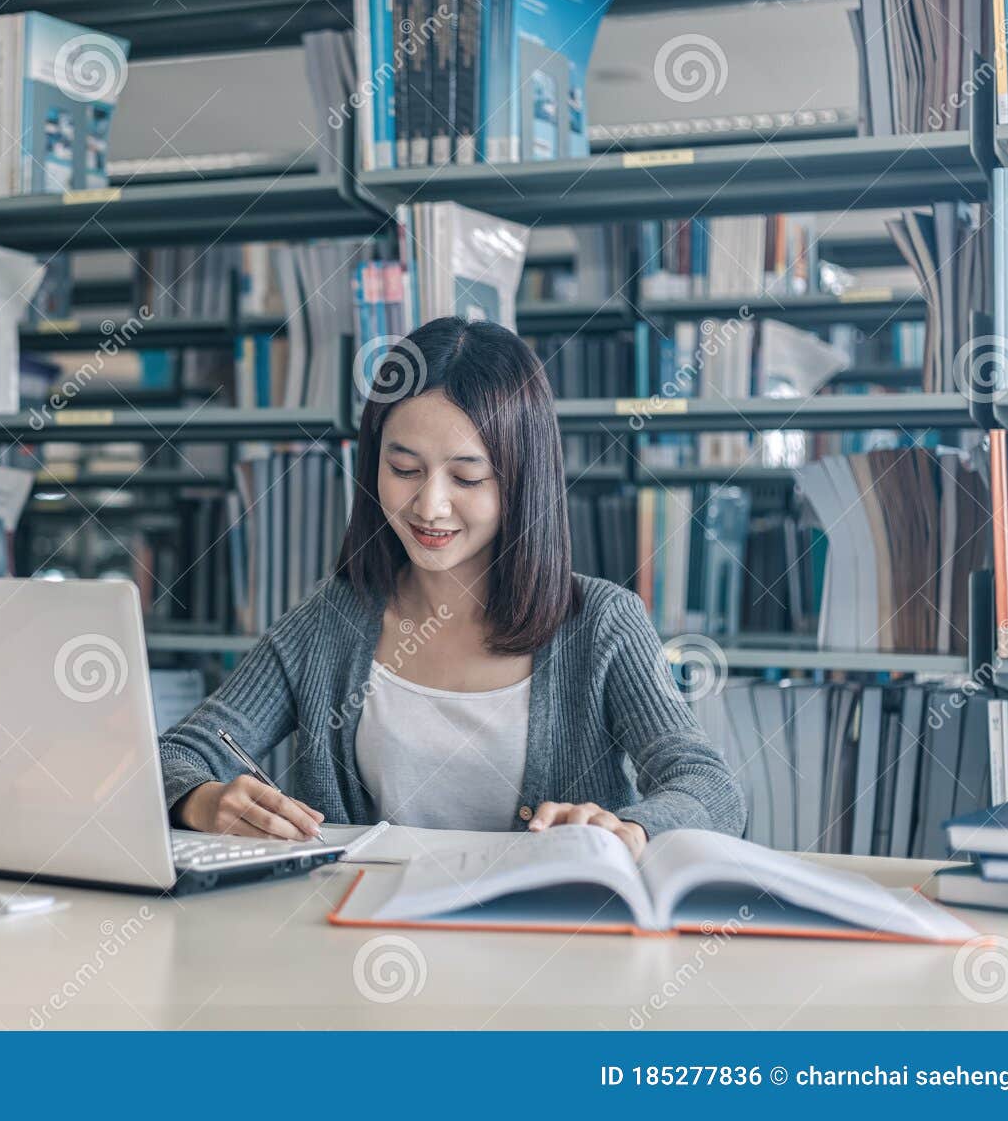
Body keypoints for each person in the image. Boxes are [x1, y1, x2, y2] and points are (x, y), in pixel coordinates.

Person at [160, 317, 746, 859]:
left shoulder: (599, 622)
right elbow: (172, 756)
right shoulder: (330, 621)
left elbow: (709, 787)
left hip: (547, 956)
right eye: (404, 470)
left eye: (467, 477)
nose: (429, 506)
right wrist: (200, 800)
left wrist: (630, 829)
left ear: (522, 481)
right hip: (358, 949)